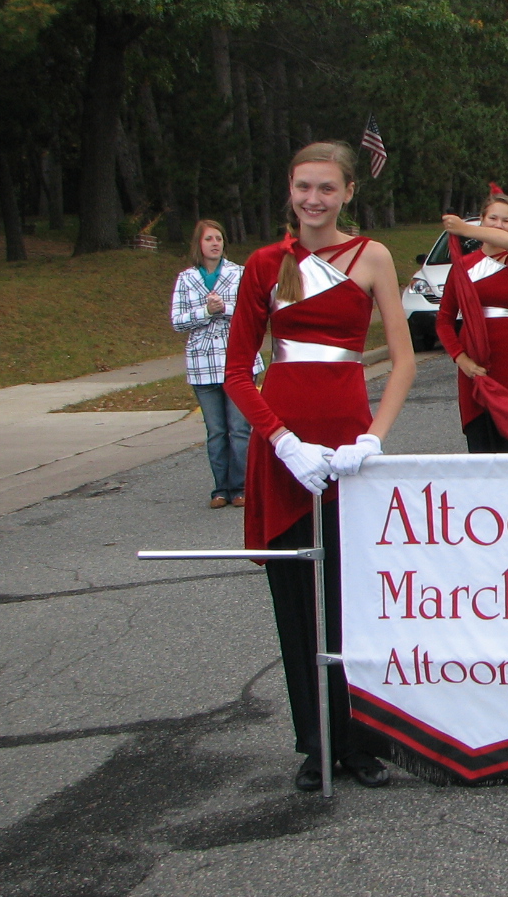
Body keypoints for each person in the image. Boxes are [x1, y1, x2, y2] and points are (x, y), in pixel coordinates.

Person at [224, 141, 416, 792]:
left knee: (353, 601)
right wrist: (281, 441)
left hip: (347, 449)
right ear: (289, 189)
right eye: (304, 187)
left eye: (326, 189)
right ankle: (316, 744)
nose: (314, 199)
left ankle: (361, 740)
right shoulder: (263, 264)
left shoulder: (373, 257)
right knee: (296, 602)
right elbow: (235, 372)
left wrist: (372, 438)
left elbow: (404, 359)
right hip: (286, 451)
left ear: (347, 193)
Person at [435, 195, 508, 451]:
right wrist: (463, 361)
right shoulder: (462, 266)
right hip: (474, 364)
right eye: (492, 218)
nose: (498, 224)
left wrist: (464, 229)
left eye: (506, 220)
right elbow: (444, 321)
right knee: (480, 443)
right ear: (482, 219)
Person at [171, 219, 259, 508]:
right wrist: (205, 311)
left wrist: (226, 308)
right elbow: (177, 321)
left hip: (236, 359)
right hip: (202, 362)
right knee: (216, 430)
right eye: (209, 239)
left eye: (219, 238)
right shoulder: (186, 279)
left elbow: (254, 312)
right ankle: (220, 489)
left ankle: (241, 487)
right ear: (199, 243)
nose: (215, 243)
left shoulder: (239, 273)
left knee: (239, 428)